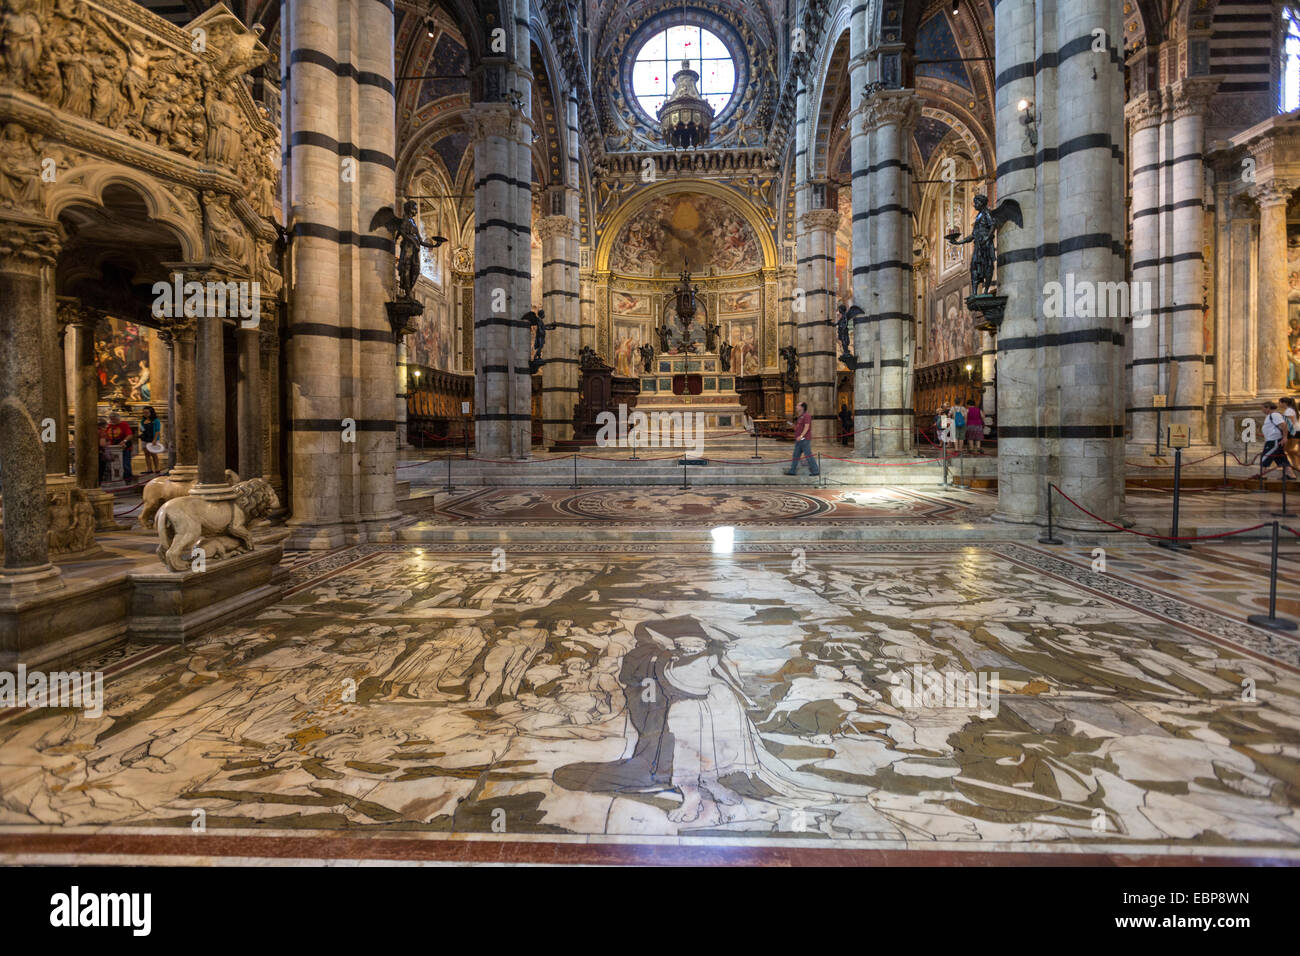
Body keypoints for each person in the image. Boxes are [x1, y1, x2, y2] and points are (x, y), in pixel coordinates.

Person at [1259, 402, 1296, 480]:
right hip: (1272, 439)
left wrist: (1285, 438)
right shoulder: (1271, 416)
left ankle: (1262, 475)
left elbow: (1284, 425)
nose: (1262, 410)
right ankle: (1291, 475)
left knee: (1265, 456)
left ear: (1268, 408)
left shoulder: (1274, 415)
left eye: (1263, 408)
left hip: (1274, 441)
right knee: (1280, 458)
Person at [784, 401, 819, 476]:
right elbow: (798, 427)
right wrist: (792, 425)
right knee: (795, 455)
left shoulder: (807, 416)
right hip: (799, 440)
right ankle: (792, 470)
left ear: (802, 407)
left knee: (808, 455)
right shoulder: (800, 416)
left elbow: (807, 427)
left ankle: (815, 471)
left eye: (798, 405)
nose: (796, 406)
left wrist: (801, 436)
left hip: (804, 439)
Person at [104, 410, 134, 483]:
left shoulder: (124, 424)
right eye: (111, 419)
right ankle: (115, 478)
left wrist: (124, 441)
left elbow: (130, 435)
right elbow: (105, 436)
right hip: (113, 448)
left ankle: (128, 479)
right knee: (114, 465)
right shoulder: (109, 426)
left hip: (124, 448)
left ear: (118, 419)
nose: (112, 421)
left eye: (114, 419)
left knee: (125, 464)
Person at [138, 406, 161, 474]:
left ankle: (157, 468)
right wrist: (141, 429)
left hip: (153, 439)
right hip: (145, 439)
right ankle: (149, 469)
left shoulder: (156, 420)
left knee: (154, 454)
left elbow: (157, 431)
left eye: (147, 412)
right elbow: (142, 430)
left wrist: (154, 440)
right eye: (144, 412)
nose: (145, 414)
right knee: (146, 454)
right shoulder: (143, 420)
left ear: (151, 412)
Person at [1281, 396, 1300, 471]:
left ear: (1284, 403)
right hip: (1295, 431)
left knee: (1289, 449)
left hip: (1294, 431)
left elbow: (1290, 423)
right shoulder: (1291, 410)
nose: (1279, 404)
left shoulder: (1289, 411)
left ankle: (1296, 463)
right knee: (1288, 450)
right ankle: (1295, 465)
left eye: (1280, 402)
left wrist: (1285, 433)